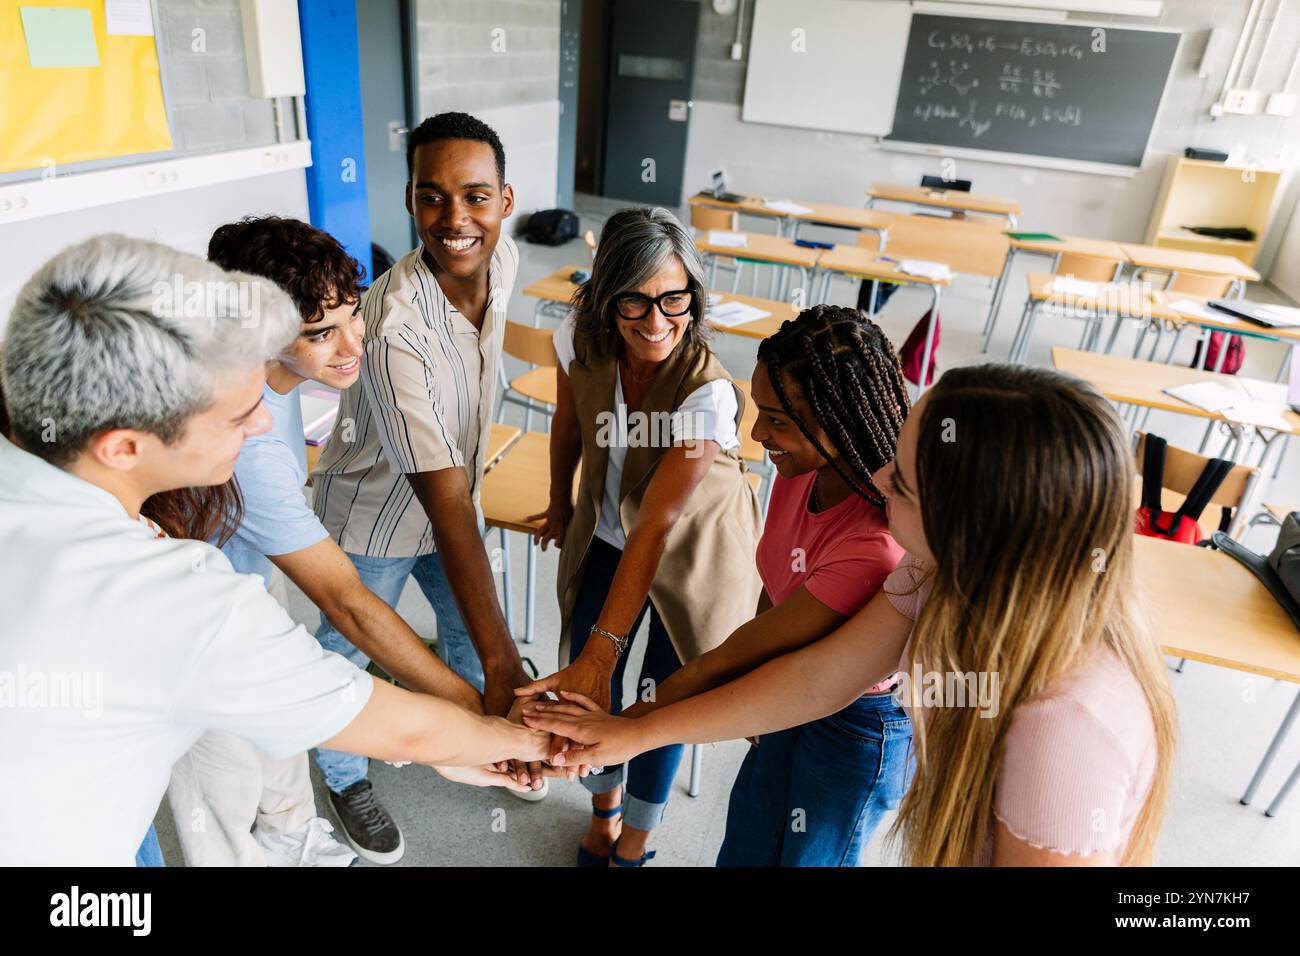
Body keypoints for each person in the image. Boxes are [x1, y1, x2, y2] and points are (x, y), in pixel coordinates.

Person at [0, 235, 547, 866]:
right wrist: (516, 743)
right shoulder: (178, 603)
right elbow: (395, 720)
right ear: (124, 447)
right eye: (236, 417)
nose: (263, 424)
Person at [524, 364, 1177, 866]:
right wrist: (632, 733)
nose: (882, 475)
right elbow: (816, 679)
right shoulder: (932, 569)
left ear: (972, 532)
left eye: (906, 480)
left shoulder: (1065, 730)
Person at [163, 216, 487, 867]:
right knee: (223, 780)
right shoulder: (246, 443)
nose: (350, 345)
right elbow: (346, 602)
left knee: (277, 737)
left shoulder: (271, 381)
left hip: (242, 579)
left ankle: (292, 837)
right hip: (186, 627)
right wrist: (467, 711)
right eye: (320, 333)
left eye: (352, 316)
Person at [309, 111, 543, 863]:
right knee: (343, 652)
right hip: (375, 518)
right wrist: (512, 666)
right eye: (431, 197)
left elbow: (451, 503)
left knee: (469, 632)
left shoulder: (500, 264)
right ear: (410, 201)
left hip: (455, 509)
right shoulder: (389, 323)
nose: (455, 218)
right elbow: (438, 505)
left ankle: (480, 731)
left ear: (506, 201)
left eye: (475, 196)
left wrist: (499, 668)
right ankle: (345, 778)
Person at [617, 305, 913, 866]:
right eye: (759, 413)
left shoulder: (873, 548)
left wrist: (617, 729)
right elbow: (776, 592)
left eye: (777, 420)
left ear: (840, 422)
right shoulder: (803, 472)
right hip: (787, 683)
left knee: (808, 859)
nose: (755, 435)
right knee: (747, 846)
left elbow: (722, 662)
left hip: (858, 726)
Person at [515, 207, 763, 867]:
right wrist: (558, 504)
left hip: (693, 552)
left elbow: (657, 524)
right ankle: (604, 810)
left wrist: (604, 651)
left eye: (674, 299)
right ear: (603, 298)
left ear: (695, 295)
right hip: (608, 532)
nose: (656, 323)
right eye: (634, 301)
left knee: (661, 700)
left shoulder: (706, 393)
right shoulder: (577, 338)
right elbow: (569, 423)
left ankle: (637, 841)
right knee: (587, 686)